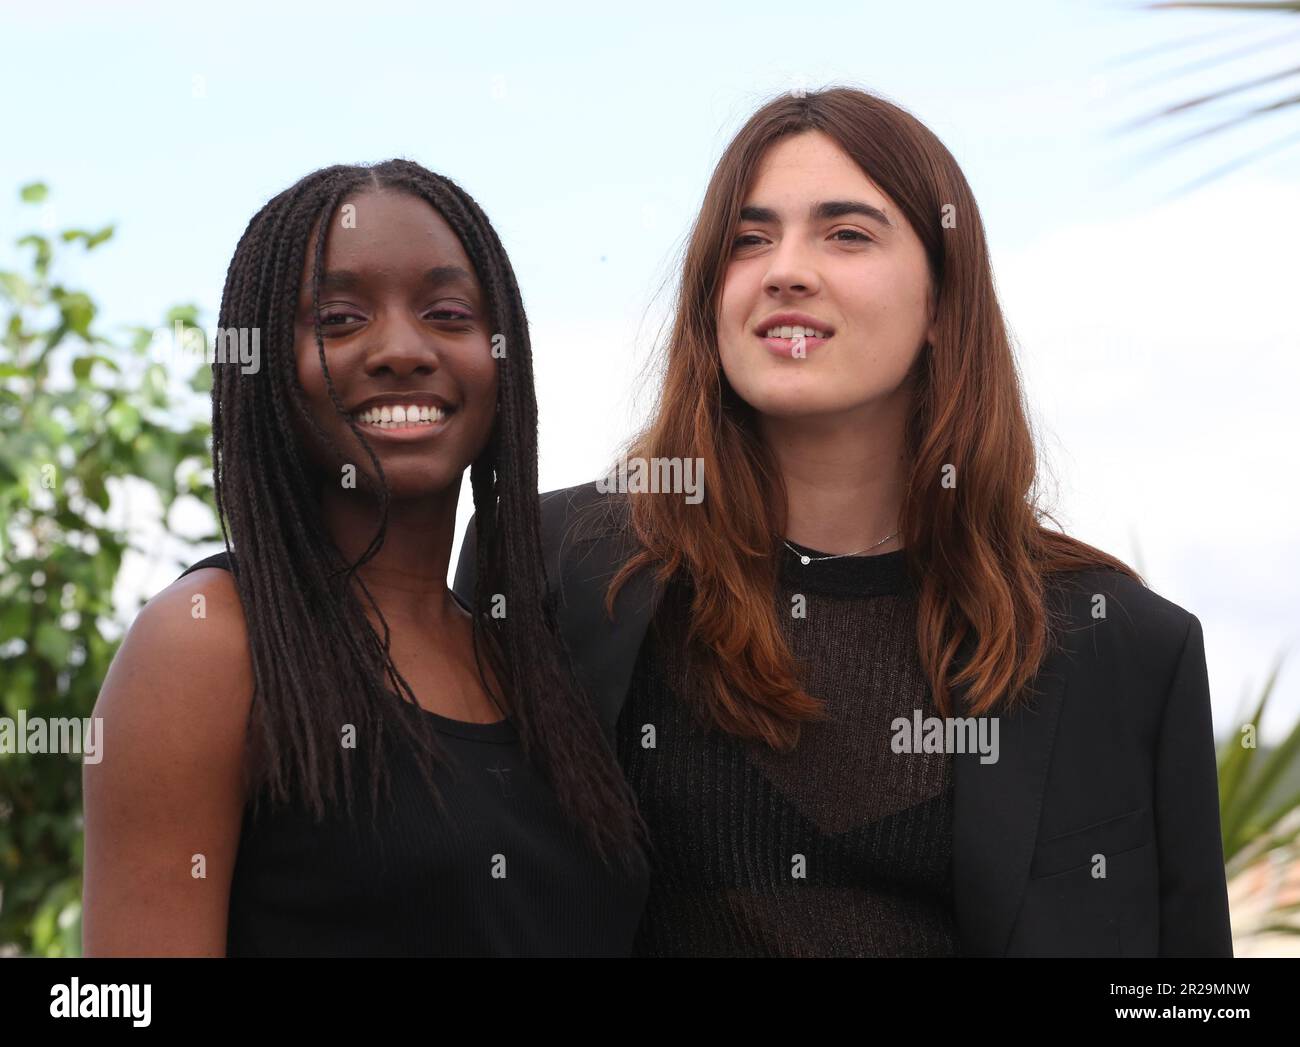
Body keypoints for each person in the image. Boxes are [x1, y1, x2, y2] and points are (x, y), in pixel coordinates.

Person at [454, 88, 1233, 957]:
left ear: (943, 304)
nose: (785, 268)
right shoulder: (548, 566)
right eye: (748, 240)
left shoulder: (1122, 644)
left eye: (847, 233)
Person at [82, 159, 649, 957]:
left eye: (448, 313)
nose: (402, 349)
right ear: (268, 368)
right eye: (341, 319)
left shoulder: (527, 654)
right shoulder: (210, 643)